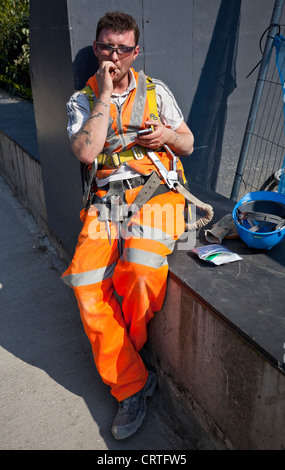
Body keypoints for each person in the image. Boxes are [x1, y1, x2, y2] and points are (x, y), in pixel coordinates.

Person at [62, 11, 194, 440]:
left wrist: (167, 138)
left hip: (156, 191)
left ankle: (126, 369)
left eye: (122, 49)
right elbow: (86, 152)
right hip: (107, 201)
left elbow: (188, 143)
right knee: (85, 282)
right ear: (97, 48)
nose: (113, 56)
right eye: (105, 47)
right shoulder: (81, 100)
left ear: (136, 52)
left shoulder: (157, 91)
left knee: (138, 267)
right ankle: (134, 381)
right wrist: (103, 94)